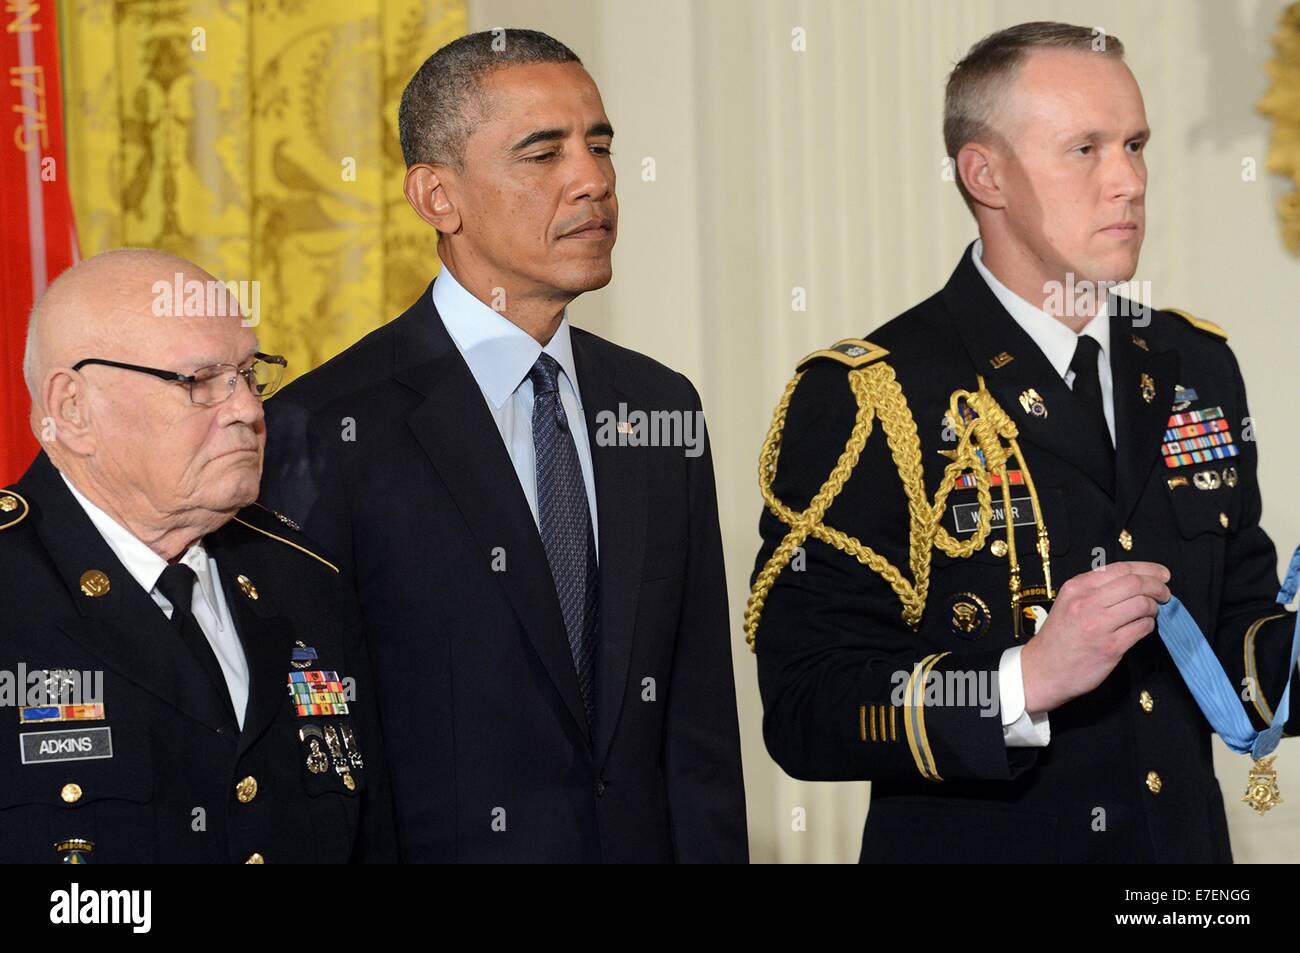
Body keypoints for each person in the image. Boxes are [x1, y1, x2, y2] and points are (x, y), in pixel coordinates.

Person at [748, 21, 1297, 863]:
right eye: (1085, 150)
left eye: (1136, 144)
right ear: (985, 173)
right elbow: (808, 704)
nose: (1129, 181)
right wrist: (1022, 680)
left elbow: (1239, 642)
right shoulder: (871, 394)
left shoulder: (1195, 364)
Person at [261, 29, 747, 863]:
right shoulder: (325, 425)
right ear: (437, 197)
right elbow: (315, 748)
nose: (592, 179)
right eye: (542, 153)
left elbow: (697, 727)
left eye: (599, 145)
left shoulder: (660, 407)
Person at [1, 249, 395, 863]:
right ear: (74, 410)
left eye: (248, 374)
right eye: (199, 382)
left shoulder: (303, 577)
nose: (247, 409)